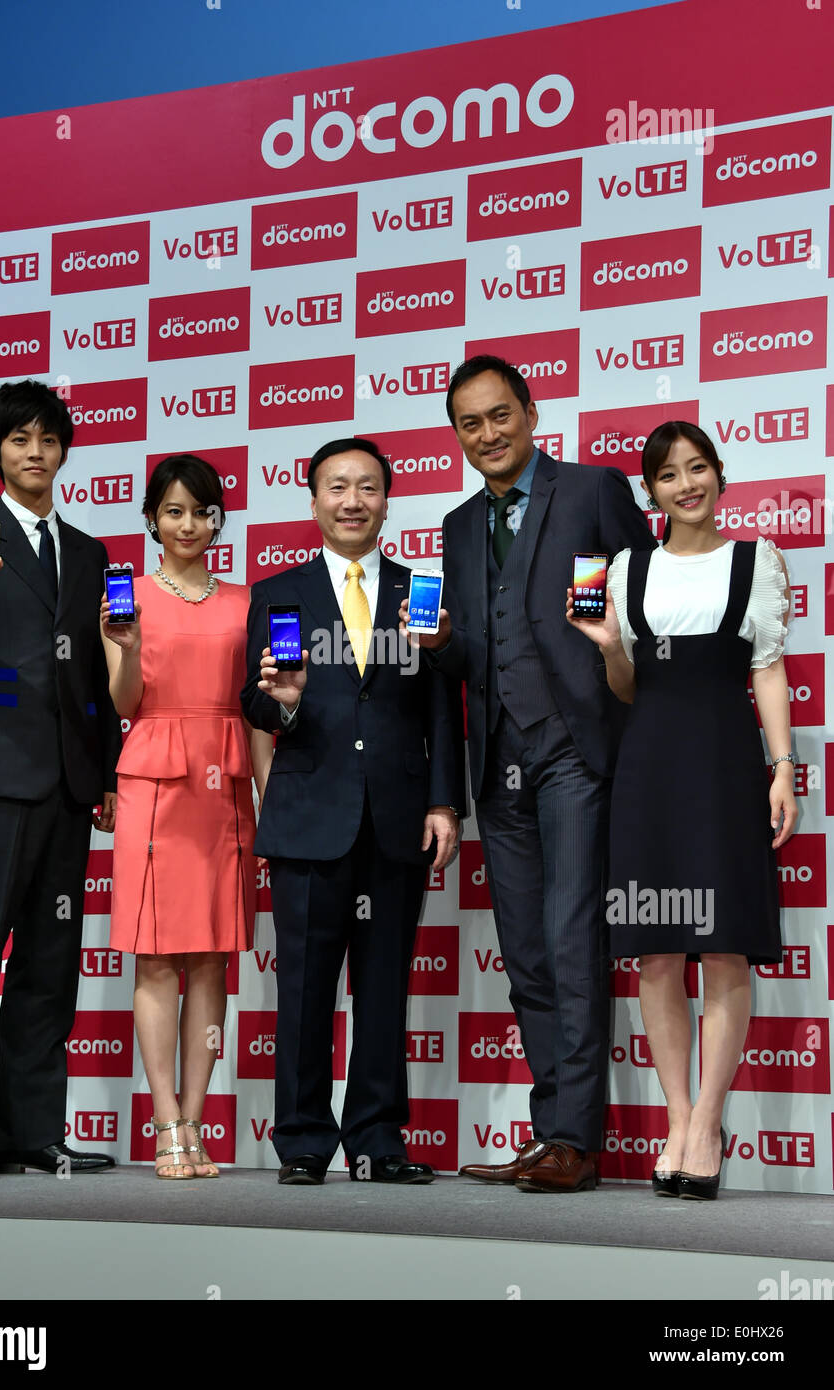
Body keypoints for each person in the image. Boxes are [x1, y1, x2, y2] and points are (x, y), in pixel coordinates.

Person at [406, 356, 656, 1194]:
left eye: (498, 415)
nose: (486, 434)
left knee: (570, 935)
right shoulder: (452, 527)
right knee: (525, 954)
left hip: (577, 751)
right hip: (498, 761)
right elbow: (469, 659)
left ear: (529, 410)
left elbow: (644, 615)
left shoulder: (592, 491)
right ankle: (553, 1128)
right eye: (469, 424)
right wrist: (441, 647)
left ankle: (574, 1139)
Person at [566, 420, 797, 1199]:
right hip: (648, 770)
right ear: (651, 491)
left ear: (718, 475)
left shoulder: (754, 561)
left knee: (724, 946)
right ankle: (674, 1119)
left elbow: (766, 672)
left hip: (728, 766)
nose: (685, 484)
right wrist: (605, 644)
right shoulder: (627, 569)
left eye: (697, 468)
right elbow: (629, 688)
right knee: (657, 949)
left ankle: (706, 1124)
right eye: (668, 475)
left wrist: (782, 769)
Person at [241, 437, 464, 1185]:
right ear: (312, 501)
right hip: (310, 814)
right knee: (302, 988)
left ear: (385, 501)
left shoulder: (419, 588)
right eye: (336, 487)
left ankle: (377, 1140)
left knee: (381, 989)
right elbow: (252, 703)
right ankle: (303, 1140)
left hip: (399, 815)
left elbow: (442, 703)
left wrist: (444, 802)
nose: (351, 501)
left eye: (366, 487)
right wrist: (284, 705)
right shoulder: (277, 592)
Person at [0, 379, 122, 1178]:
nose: (35, 453)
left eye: (47, 439)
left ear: (64, 448)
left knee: (50, 964)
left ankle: (32, 1130)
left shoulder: (92, 552)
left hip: (71, 788)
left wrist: (103, 774)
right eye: (19, 441)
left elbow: (97, 684)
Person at [102, 455, 272, 1179]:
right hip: (153, 778)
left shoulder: (246, 603)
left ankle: (197, 1124)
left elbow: (261, 711)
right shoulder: (126, 596)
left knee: (213, 959)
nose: (188, 525)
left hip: (224, 779)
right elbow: (120, 704)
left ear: (217, 521)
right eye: (173, 512)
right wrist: (128, 651)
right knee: (156, 957)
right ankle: (165, 1123)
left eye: (201, 512)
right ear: (151, 520)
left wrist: (269, 804)